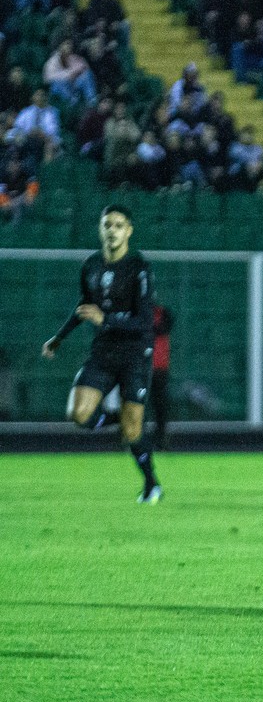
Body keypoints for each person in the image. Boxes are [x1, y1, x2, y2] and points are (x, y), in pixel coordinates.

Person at [41, 205, 161, 504]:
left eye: (119, 225)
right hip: (104, 352)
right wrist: (60, 337)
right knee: (79, 414)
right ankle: (121, 417)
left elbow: (145, 322)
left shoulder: (139, 269)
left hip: (135, 354)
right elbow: (85, 306)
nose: (112, 231)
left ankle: (151, 483)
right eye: (107, 225)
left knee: (132, 433)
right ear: (100, 228)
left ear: (129, 231)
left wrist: (105, 319)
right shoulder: (91, 265)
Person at [149, 305, 174, 451]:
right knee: (136, 405)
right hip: (141, 367)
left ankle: (161, 439)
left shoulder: (163, 313)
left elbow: (163, 328)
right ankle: (133, 438)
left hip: (159, 368)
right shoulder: (136, 313)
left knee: (160, 406)